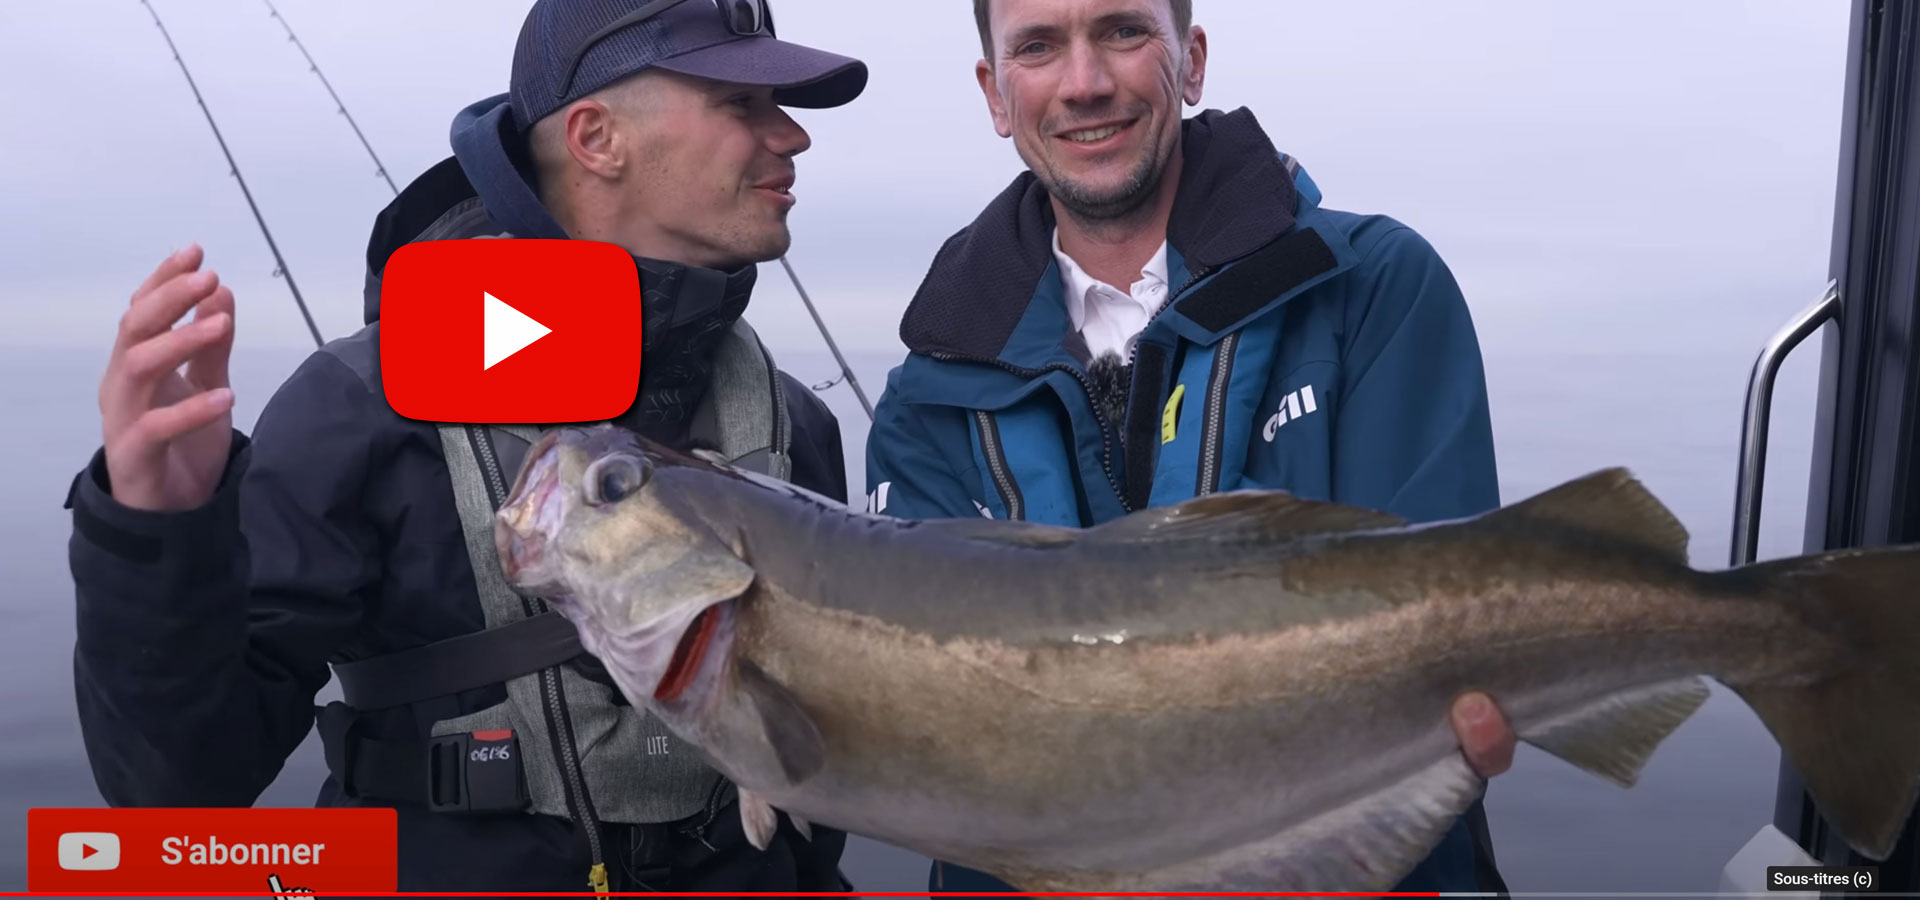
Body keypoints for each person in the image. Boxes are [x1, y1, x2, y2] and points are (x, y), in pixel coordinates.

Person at [65, 0, 869, 892]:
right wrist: (157, 533)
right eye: (741, 103)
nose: (791, 136)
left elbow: (815, 773)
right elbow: (178, 794)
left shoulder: (790, 420)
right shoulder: (361, 407)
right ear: (598, 137)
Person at [863, 0, 1516, 894]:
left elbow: (1440, 650)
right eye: (1040, 47)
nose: (1086, 83)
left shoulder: (1375, 288)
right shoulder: (924, 401)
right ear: (996, 94)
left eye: (1124, 31)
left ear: (1192, 59)